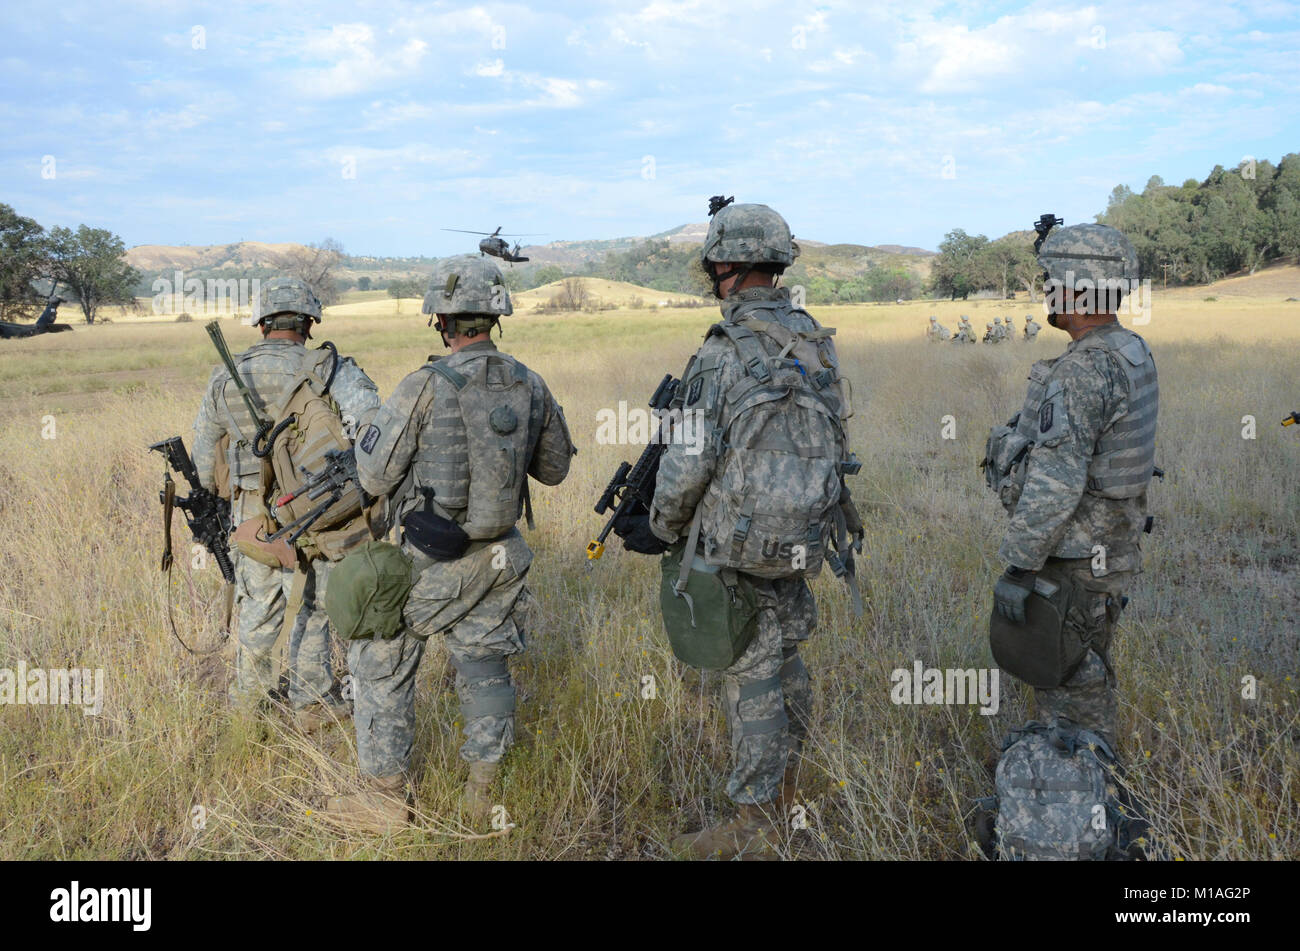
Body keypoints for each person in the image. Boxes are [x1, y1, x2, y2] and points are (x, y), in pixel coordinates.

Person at [616, 200, 860, 860]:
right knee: (786, 661)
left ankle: (756, 820)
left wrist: (662, 525)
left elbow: (688, 459)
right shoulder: (815, 339)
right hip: (805, 536)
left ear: (724, 264)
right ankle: (786, 792)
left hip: (735, 545)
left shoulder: (722, 352)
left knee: (751, 673)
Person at [323, 253, 575, 830]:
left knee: (378, 658)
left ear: (440, 319)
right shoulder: (530, 384)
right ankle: (482, 798)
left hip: (431, 560)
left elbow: (376, 476)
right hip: (501, 555)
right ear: (495, 319)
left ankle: (384, 801)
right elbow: (556, 469)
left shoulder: (423, 386)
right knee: (485, 665)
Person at [193, 276, 379, 729]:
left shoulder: (226, 374)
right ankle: (310, 704)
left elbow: (203, 454)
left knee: (256, 608)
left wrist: (221, 505)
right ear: (309, 322)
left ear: (262, 323)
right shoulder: (331, 369)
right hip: (316, 510)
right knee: (311, 608)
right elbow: (373, 431)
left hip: (250, 514)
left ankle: (249, 710)